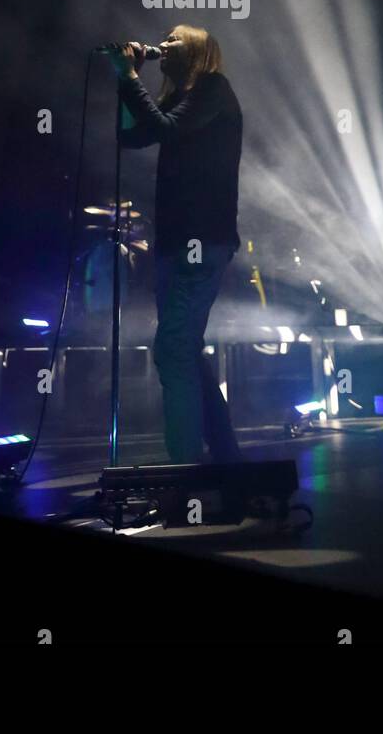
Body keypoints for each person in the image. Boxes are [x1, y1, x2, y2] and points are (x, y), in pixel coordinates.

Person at [106, 25, 243, 464]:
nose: (162, 44)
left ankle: (186, 474)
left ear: (199, 51)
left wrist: (129, 79)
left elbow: (162, 128)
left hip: (201, 242)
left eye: (173, 39)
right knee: (184, 350)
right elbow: (132, 136)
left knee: (173, 349)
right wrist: (128, 80)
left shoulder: (213, 90)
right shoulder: (180, 99)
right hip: (175, 244)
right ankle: (225, 462)